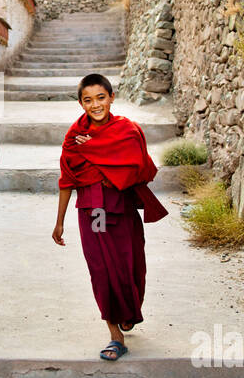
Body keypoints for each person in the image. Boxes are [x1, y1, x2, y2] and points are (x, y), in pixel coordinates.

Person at [52, 73, 167, 361]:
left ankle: (128, 311)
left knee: (131, 266)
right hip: (95, 211)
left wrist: (95, 150)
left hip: (122, 207)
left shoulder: (126, 130)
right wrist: (59, 221)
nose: (95, 105)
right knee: (103, 269)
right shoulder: (74, 138)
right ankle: (115, 335)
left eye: (101, 98)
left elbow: (139, 167)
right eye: (88, 100)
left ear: (111, 98)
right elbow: (67, 179)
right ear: (81, 103)